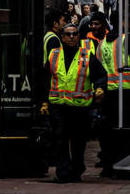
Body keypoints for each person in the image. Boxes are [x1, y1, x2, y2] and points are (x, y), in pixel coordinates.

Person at [40, 22, 106, 183]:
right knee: (60, 140)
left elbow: (101, 75)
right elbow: (45, 80)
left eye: (74, 34)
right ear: (62, 37)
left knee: (78, 141)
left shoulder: (87, 55)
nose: (71, 37)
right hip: (58, 106)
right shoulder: (54, 55)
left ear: (78, 37)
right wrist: (44, 102)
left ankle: (76, 170)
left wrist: (100, 88)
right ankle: (63, 173)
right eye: (68, 34)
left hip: (79, 108)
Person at [94, 14, 130, 180]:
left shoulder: (102, 43)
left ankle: (108, 167)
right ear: (123, 21)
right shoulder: (126, 40)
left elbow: (98, 70)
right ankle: (123, 169)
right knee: (125, 132)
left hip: (106, 92)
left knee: (107, 132)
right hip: (125, 90)